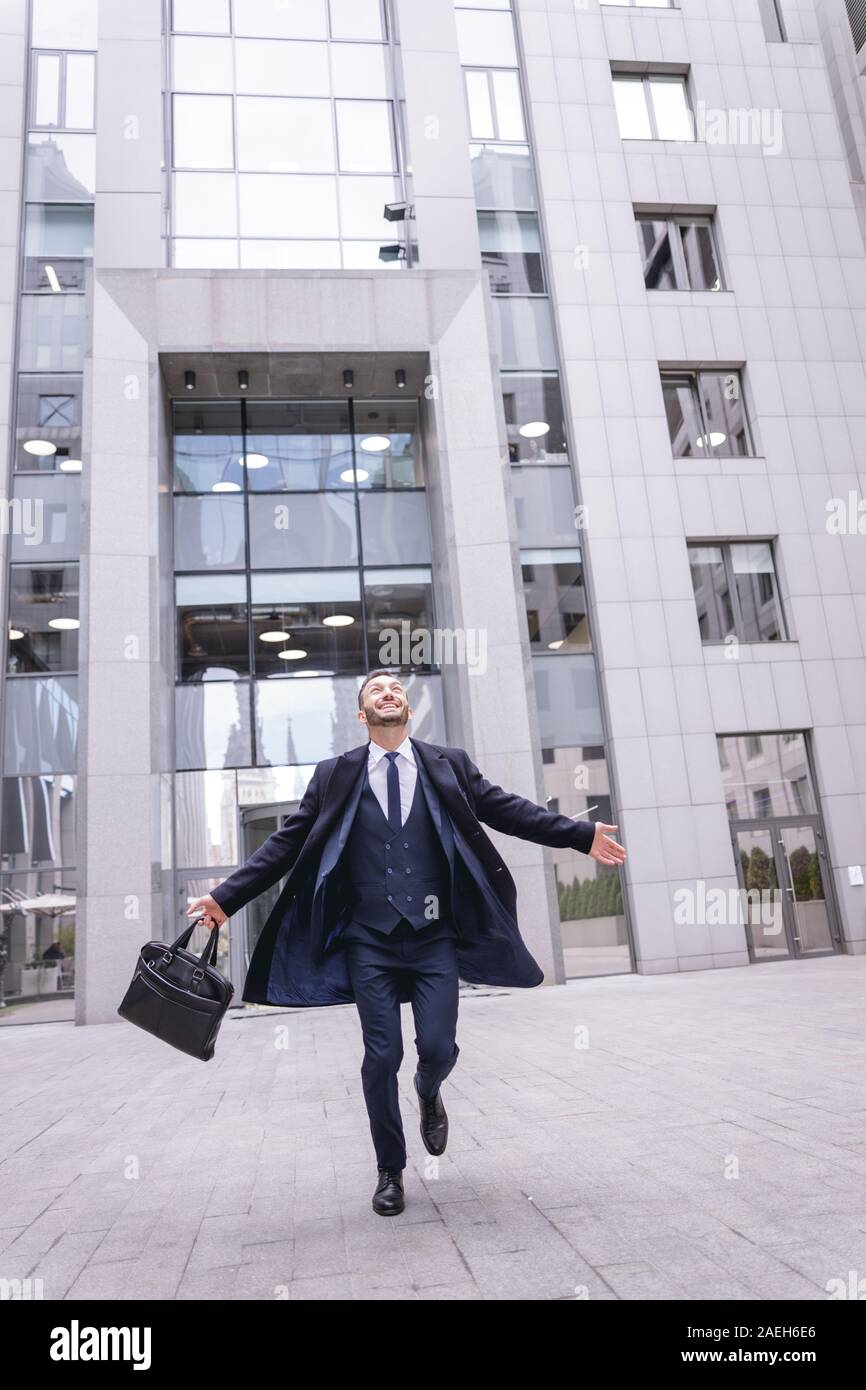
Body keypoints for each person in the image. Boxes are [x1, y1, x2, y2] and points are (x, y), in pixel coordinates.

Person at [188, 669, 626, 1215]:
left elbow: (509, 809)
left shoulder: (449, 765)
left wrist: (579, 835)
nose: (388, 692)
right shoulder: (334, 775)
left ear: (408, 709)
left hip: (434, 935)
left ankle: (427, 1087)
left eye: (395, 687)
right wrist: (226, 897)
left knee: (437, 1046)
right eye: (376, 690)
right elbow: (287, 842)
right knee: (380, 1056)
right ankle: (390, 1170)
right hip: (367, 940)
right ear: (362, 714)